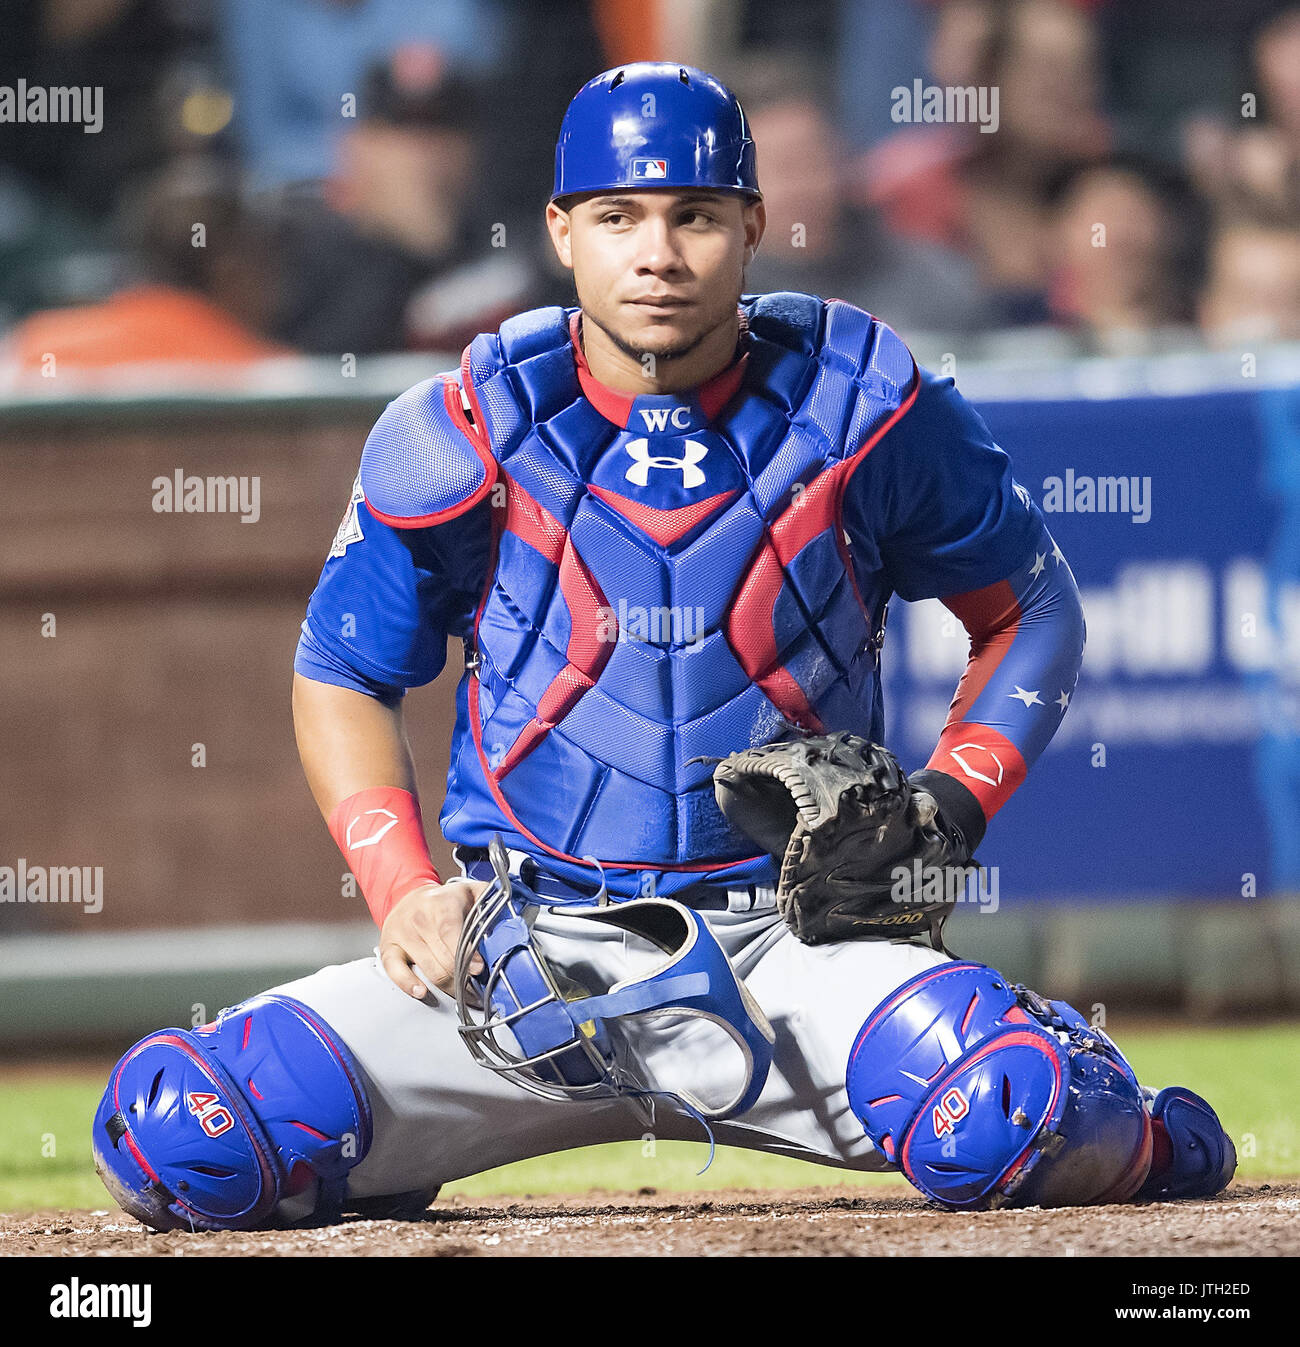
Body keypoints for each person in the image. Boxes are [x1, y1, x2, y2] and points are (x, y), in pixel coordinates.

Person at [91, 63, 1236, 1232]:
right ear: (562, 230)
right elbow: (341, 672)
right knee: (182, 1133)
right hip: (517, 961)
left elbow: (1031, 612)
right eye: (618, 216)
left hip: (794, 950)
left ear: (749, 226)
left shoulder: (864, 405)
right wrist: (401, 891)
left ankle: (1148, 1124)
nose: (658, 253)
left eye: (693, 215)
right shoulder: (468, 426)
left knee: (1011, 1114)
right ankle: (383, 1141)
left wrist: (950, 805)